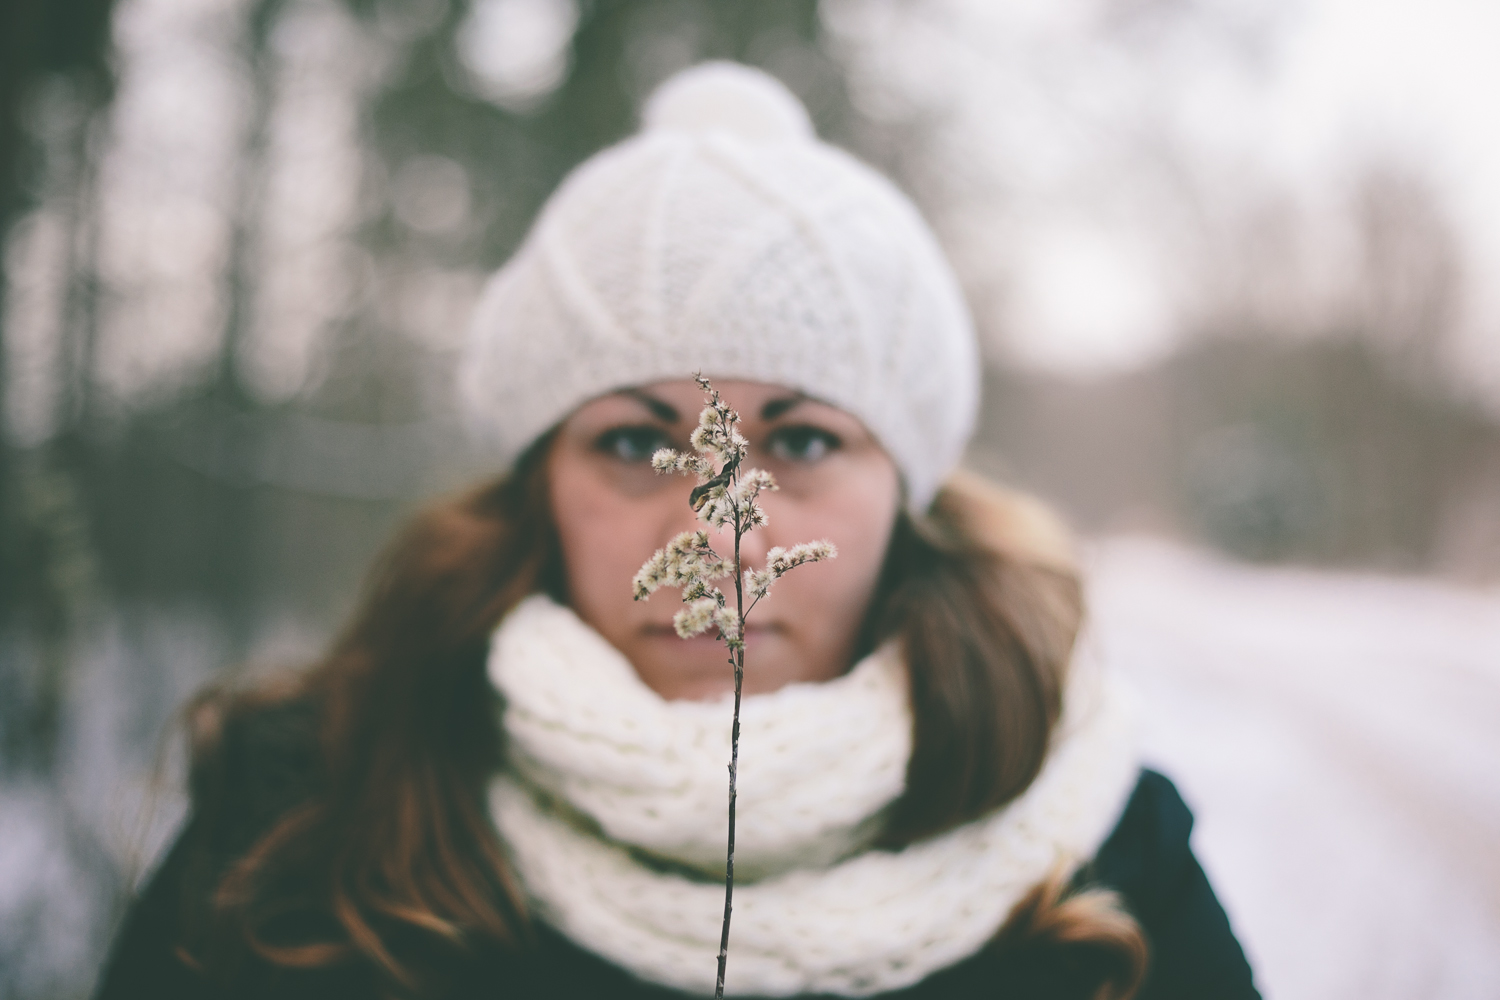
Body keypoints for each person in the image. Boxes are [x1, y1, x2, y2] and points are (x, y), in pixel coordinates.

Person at [95, 63, 1259, 1000]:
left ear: (905, 494)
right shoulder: (308, 810)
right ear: (535, 480)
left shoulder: (1095, 847)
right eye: (638, 442)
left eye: (800, 443)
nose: (720, 535)